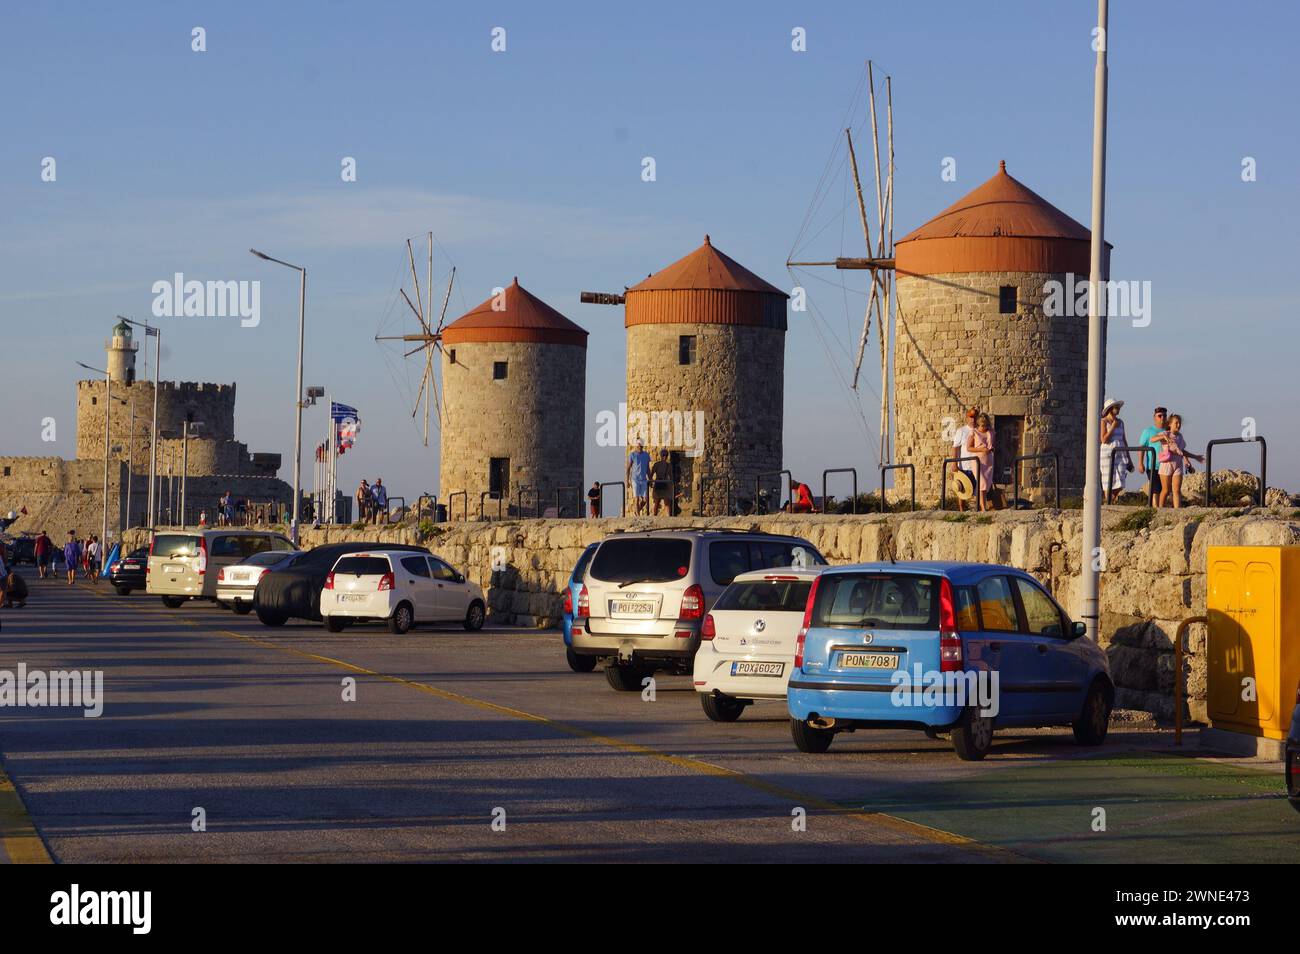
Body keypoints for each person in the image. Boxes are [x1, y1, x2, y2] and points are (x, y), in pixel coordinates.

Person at [1154, 413, 1205, 509]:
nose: (1178, 425)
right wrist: (1163, 437)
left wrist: (1195, 457)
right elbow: (1152, 439)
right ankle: (1160, 510)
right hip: (1166, 464)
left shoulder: (1180, 437)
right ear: (1170, 424)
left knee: (1177, 490)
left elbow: (1182, 451)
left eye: (1180, 423)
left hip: (1177, 464)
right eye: (1176, 423)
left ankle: (1178, 511)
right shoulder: (1166, 433)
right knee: (1165, 490)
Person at [1099, 397, 1132, 504]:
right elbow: (1103, 439)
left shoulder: (1121, 422)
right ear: (1110, 409)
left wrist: (1129, 458)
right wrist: (1112, 427)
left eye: (1118, 407)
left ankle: (1109, 500)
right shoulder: (1104, 421)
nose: (1118, 409)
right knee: (1108, 479)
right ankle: (1108, 502)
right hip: (1107, 453)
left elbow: (1124, 439)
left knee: (1120, 480)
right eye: (1116, 407)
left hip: (1120, 453)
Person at [965, 413, 997, 511]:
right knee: (982, 482)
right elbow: (969, 448)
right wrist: (981, 450)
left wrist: (991, 449)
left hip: (988, 461)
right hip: (978, 462)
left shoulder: (991, 432)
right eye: (983, 425)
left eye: (987, 425)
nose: (985, 427)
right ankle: (983, 506)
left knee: (986, 484)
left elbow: (993, 445)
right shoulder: (974, 432)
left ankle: (981, 504)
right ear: (978, 424)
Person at [1137, 407, 1168, 507]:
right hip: (1153, 466)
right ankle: (1155, 510)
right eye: (1160, 416)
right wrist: (1140, 463)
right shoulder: (1148, 431)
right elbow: (1142, 447)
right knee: (1156, 490)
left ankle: (1160, 507)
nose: (1162, 418)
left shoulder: (1168, 431)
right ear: (1154, 417)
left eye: (1164, 415)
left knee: (1165, 489)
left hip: (1166, 466)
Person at [950, 408, 979, 513]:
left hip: (977, 465)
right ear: (967, 418)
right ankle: (962, 510)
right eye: (971, 417)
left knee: (978, 489)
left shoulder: (980, 430)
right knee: (962, 488)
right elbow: (955, 447)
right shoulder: (961, 431)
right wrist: (954, 463)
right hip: (964, 465)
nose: (973, 420)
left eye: (975, 417)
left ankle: (978, 510)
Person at [626, 439, 651, 516]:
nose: (639, 446)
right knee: (636, 498)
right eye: (638, 444)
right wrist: (627, 480)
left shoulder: (646, 455)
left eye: (640, 444)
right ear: (636, 445)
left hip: (643, 479)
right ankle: (638, 516)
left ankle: (637, 511)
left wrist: (650, 479)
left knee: (645, 499)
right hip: (635, 479)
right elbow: (628, 468)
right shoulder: (632, 455)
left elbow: (647, 468)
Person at [649, 450, 674, 516]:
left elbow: (651, 475)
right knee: (665, 502)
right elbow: (671, 477)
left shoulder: (656, 464)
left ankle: (655, 516)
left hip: (658, 484)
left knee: (658, 502)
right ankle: (668, 517)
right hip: (665, 484)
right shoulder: (669, 465)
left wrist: (651, 482)